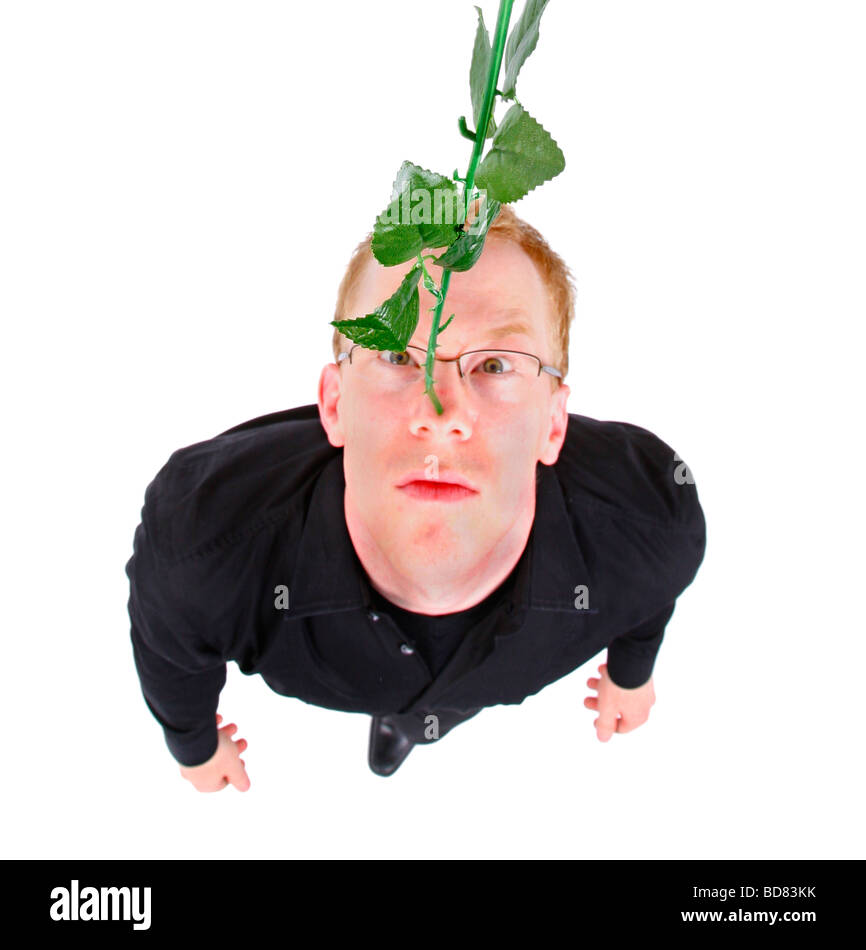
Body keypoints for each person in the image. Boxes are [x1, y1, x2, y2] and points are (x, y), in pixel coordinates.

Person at [125, 204, 706, 789]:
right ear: (334, 404)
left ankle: (425, 718)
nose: (441, 414)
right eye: (400, 355)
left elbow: (652, 585)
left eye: (497, 363)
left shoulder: (654, 520)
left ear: (555, 424)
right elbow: (169, 647)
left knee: (449, 698)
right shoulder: (197, 548)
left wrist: (631, 674)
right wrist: (193, 744)